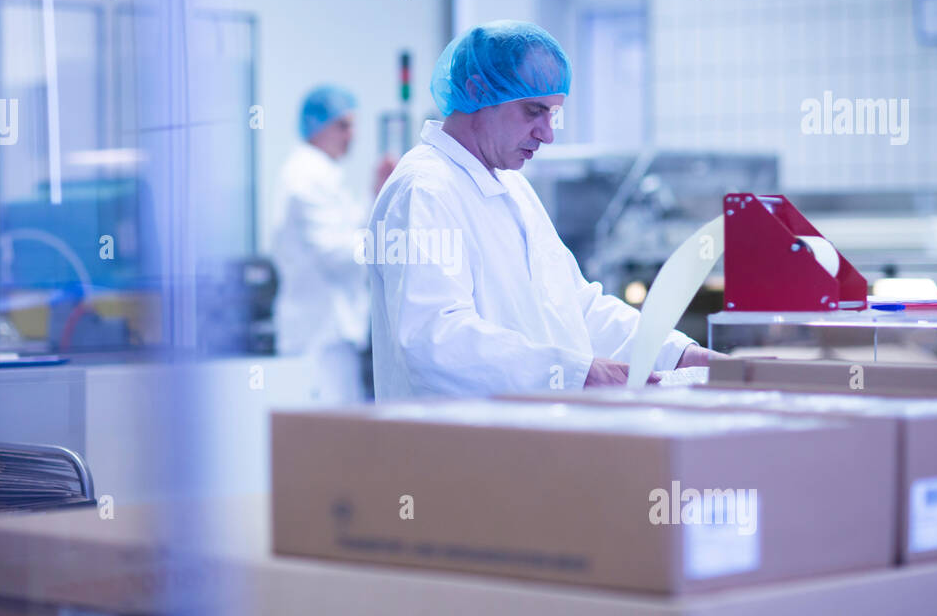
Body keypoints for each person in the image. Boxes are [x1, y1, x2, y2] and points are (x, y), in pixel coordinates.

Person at [367, 21, 714, 400]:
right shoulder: (425, 191)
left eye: (552, 114)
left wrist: (677, 355)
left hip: (527, 442)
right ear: (477, 91)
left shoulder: (512, 185)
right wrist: (578, 374)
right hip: (453, 449)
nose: (547, 133)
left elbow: (576, 307)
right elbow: (434, 341)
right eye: (533, 111)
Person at [271, 85, 396, 401]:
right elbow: (337, 254)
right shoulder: (307, 176)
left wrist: (377, 194)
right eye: (343, 125)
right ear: (317, 126)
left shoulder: (323, 174)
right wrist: (392, 243)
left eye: (352, 125)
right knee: (326, 436)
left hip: (332, 331)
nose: (351, 135)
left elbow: (349, 230)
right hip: (319, 334)